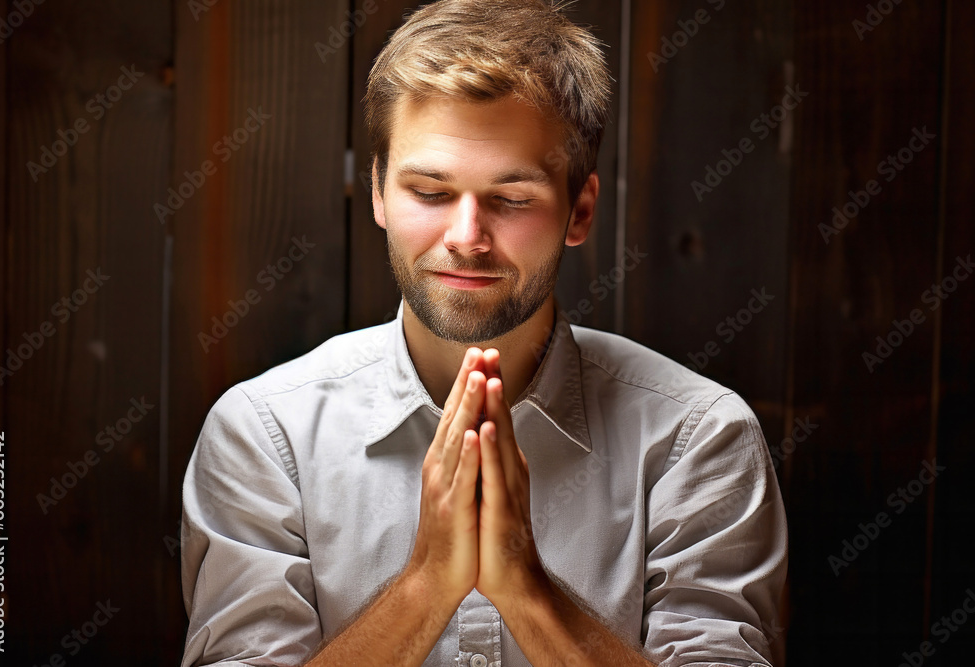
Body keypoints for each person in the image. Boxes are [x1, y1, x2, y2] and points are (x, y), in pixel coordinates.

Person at [179, 0, 788, 665]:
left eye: (513, 198)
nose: (466, 237)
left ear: (580, 210)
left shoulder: (697, 438)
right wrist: (424, 586)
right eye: (430, 191)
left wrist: (526, 588)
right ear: (378, 191)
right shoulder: (265, 435)